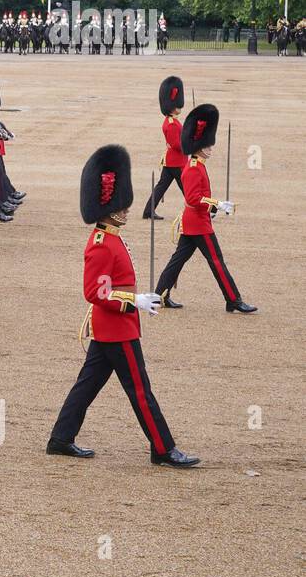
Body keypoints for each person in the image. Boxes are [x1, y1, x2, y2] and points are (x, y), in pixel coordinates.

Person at [46, 145, 200, 468]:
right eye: (121, 206)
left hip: (112, 329)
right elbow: (95, 293)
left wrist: (139, 298)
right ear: (110, 209)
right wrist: (135, 301)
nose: (127, 210)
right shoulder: (102, 244)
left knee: (86, 385)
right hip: (117, 329)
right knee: (140, 390)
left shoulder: (111, 237)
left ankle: (61, 438)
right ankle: (162, 447)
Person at [154, 104, 256, 314]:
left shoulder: (197, 165)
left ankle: (160, 295)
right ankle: (233, 299)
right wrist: (216, 203)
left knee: (178, 260)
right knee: (217, 261)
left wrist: (214, 205)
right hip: (198, 223)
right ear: (199, 146)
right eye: (208, 145)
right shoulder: (193, 168)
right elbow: (192, 198)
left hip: (195, 221)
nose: (211, 148)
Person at [141, 76, 184, 222]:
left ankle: (148, 211)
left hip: (173, 161)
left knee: (161, 187)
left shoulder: (172, 121)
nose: (180, 107)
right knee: (188, 189)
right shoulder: (171, 124)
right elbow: (177, 145)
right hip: (176, 162)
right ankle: (199, 210)